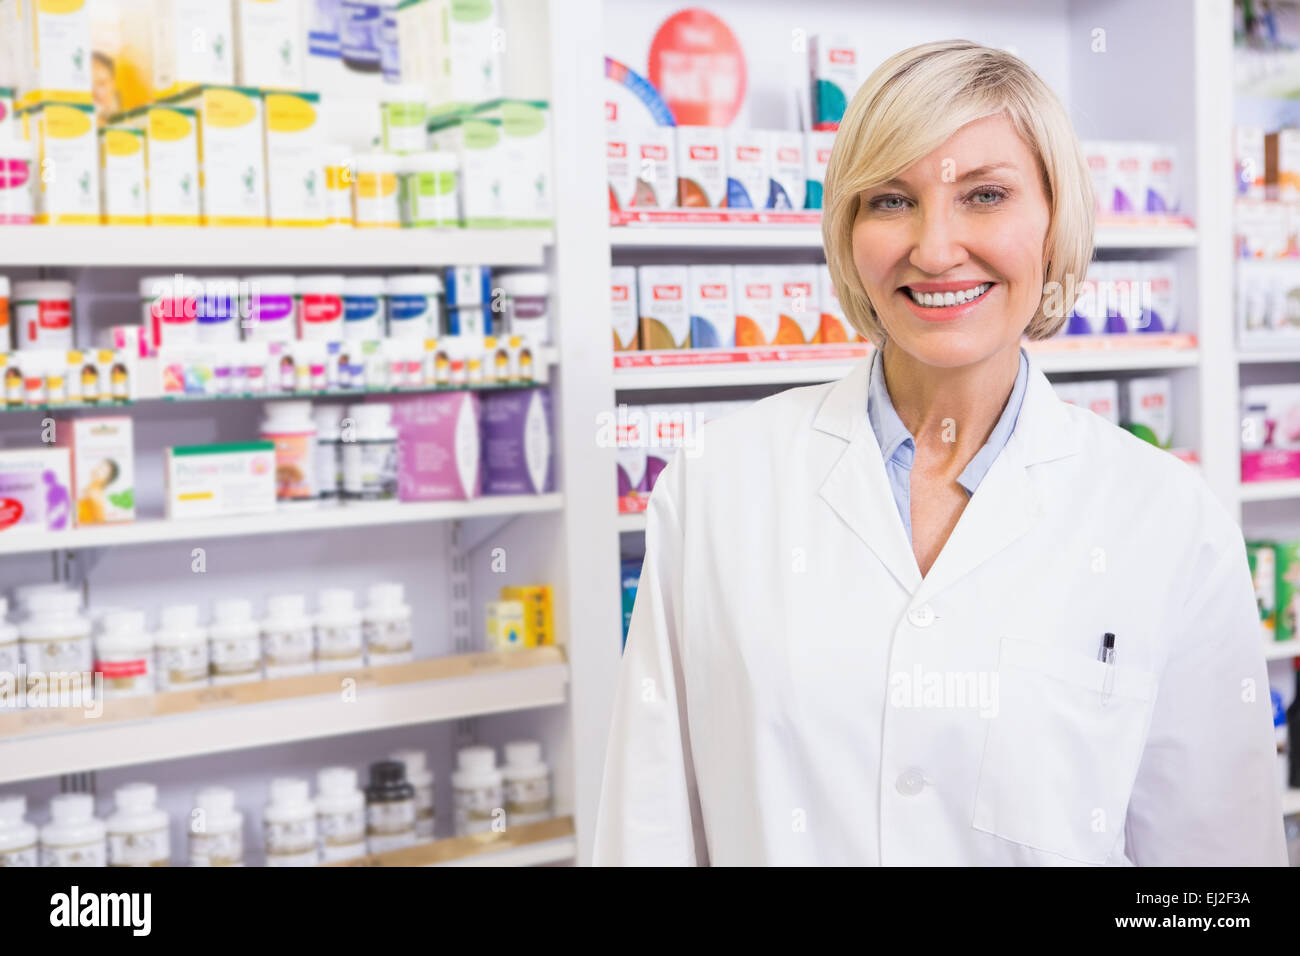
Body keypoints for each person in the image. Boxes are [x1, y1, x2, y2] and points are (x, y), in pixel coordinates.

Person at [593, 40, 1286, 866]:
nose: (934, 247)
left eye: (984, 195)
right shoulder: (717, 487)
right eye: (890, 201)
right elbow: (648, 828)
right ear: (848, 233)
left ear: (1055, 219)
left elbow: (1213, 876)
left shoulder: (1167, 523)